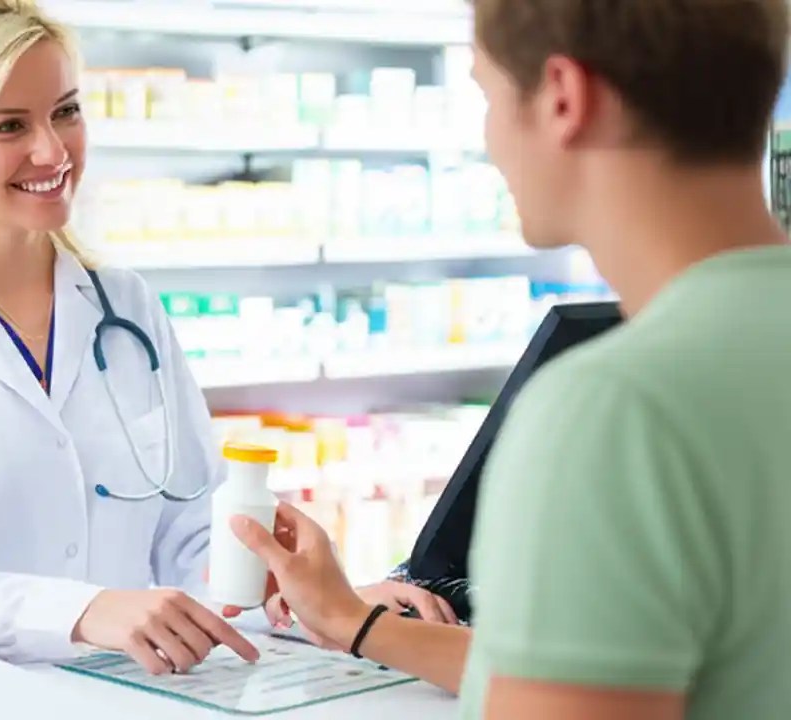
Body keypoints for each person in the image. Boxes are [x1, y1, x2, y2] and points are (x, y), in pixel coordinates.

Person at [0, 0, 448, 675]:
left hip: (139, 696)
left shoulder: (126, 307)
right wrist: (80, 611)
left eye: (65, 112)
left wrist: (326, 611)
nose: (51, 150)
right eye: (9, 125)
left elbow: (191, 537)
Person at [229, 1, 791, 718]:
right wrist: (353, 621)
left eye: (487, 95)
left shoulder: (614, 410)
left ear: (564, 98)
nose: (490, 139)